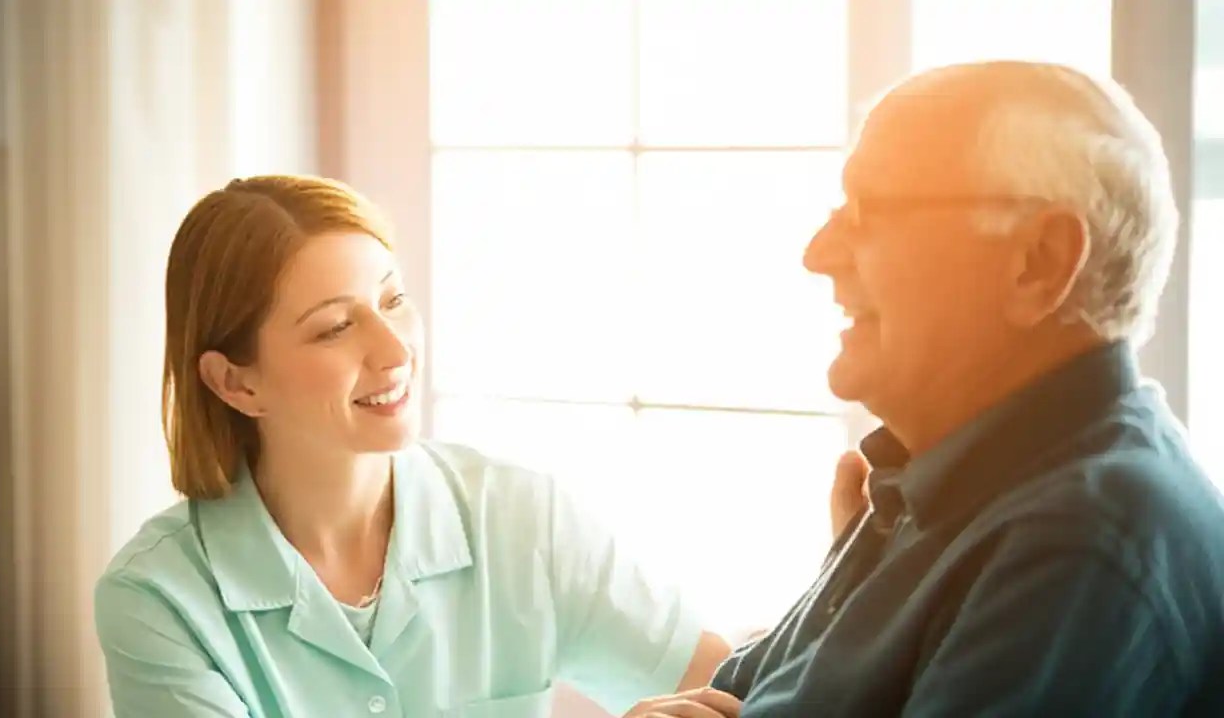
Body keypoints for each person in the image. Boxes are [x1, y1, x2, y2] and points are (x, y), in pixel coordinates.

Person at [93, 175, 739, 717]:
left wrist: (840, 599)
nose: (396, 349)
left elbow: (734, 693)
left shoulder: (521, 519)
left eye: (393, 299)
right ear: (236, 382)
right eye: (335, 327)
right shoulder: (157, 599)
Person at [710, 60, 1224, 715]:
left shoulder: (1076, 544)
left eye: (867, 211)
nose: (818, 252)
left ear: (1038, 263)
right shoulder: (932, 483)